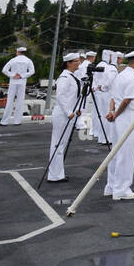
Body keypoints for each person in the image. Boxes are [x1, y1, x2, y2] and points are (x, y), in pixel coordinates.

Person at [104, 48, 134, 202]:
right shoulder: (133, 78)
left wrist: (111, 112)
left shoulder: (121, 75)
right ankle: (121, 189)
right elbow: (127, 100)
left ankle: (111, 186)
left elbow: (113, 97)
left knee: (115, 152)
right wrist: (115, 113)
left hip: (118, 117)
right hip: (127, 116)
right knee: (126, 154)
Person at [47, 51, 81, 182]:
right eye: (76, 61)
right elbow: (60, 96)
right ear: (69, 63)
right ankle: (54, 175)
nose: (79, 63)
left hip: (69, 114)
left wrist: (76, 110)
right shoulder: (64, 78)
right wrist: (69, 112)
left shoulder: (72, 76)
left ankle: (57, 173)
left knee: (61, 144)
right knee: (57, 144)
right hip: (63, 115)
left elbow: (72, 97)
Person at [0, 46, 35, 124]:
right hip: (22, 82)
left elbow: (4, 70)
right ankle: (17, 121)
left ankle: (5, 121)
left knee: (9, 101)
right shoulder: (28, 60)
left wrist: (13, 75)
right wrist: (22, 75)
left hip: (13, 82)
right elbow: (32, 71)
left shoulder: (13, 60)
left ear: (18, 52)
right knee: (20, 101)